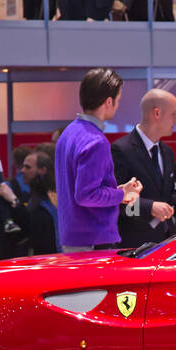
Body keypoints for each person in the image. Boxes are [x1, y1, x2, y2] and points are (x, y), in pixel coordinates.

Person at [55, 67, 142, 251]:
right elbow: (86, 195)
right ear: (108, 101)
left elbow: (82, 190)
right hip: (93, 240)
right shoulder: (95, 140)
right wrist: (121, 194)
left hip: (73, 237)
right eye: (118, 100)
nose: (118, 106)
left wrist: (119, 191)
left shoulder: (68, 133)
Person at [112, 88, 176, 248]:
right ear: (157, 113)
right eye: (174, 114)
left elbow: (168, 193)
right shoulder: (121, 150)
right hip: (133, 245)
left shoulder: (167, 152)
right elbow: (117, 200)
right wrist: (149, 207)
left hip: (164, 242)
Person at [23, 156, 59, 256]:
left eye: (28, 167)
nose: (23, 170)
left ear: (42, 170)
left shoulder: (51, 197)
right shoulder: (35, 196)